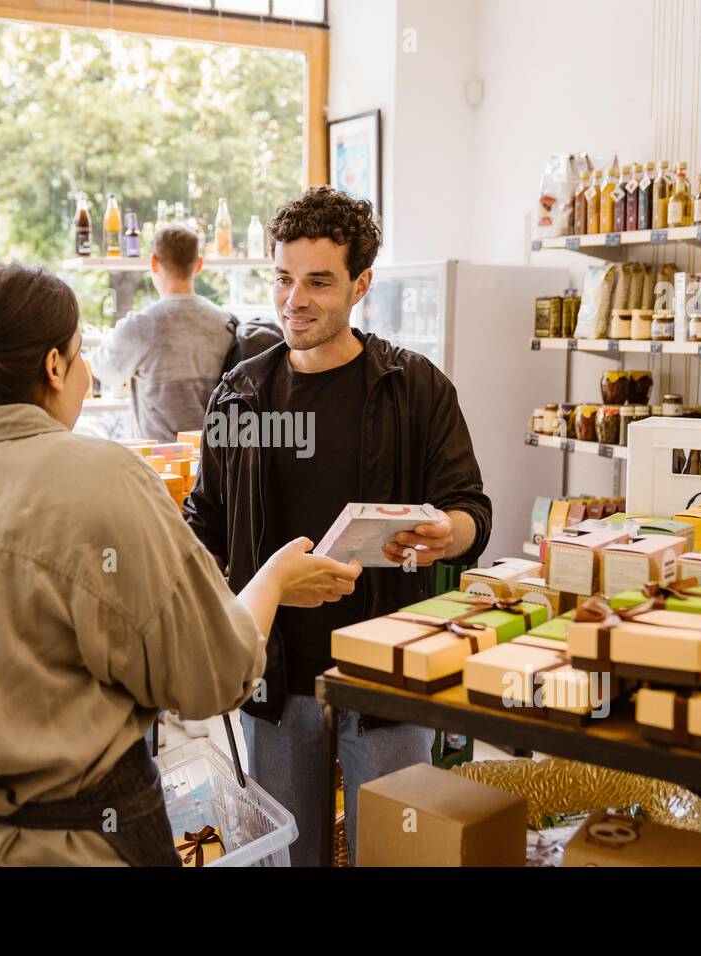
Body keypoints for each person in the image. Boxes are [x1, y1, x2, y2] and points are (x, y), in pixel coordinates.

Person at [0, 262, 361, 866]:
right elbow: (210, 677)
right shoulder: (102, 479)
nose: (89, 373)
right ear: (54, 366)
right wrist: (270, 582)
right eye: (81, 351)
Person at [184, 186, 492, 866]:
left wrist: (449, 533)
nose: (295, 299)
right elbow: (202, 523)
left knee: (394, 852)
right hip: (274, 677)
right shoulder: (240, 393)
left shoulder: (415, 388)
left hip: (385, 674)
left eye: (319, 282)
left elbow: (472, 506)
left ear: (361, 285)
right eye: (284, 279)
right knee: (288, 856)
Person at [90, 223, 234, 441]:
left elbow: (105, 371)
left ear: (154, 263)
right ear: (198, 265)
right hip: (212, 460)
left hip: (160, 461)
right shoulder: (225, 322)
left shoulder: (140, 326)